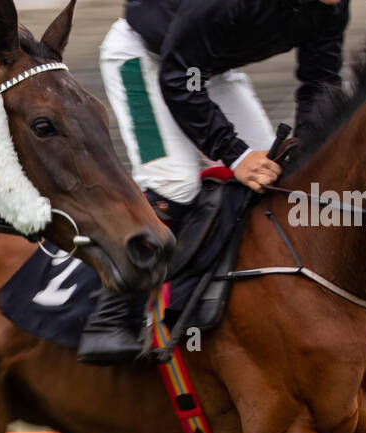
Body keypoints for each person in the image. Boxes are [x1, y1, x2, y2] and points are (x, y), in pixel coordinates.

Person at [80, 0, 349, 364]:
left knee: (275, 180)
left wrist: (306, 147)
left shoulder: (333, 6)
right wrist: (235, 154)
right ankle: (109, 318)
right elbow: (176, 78)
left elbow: (320, 81)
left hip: (207, 70)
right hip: (143, 58)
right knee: (176, 184)